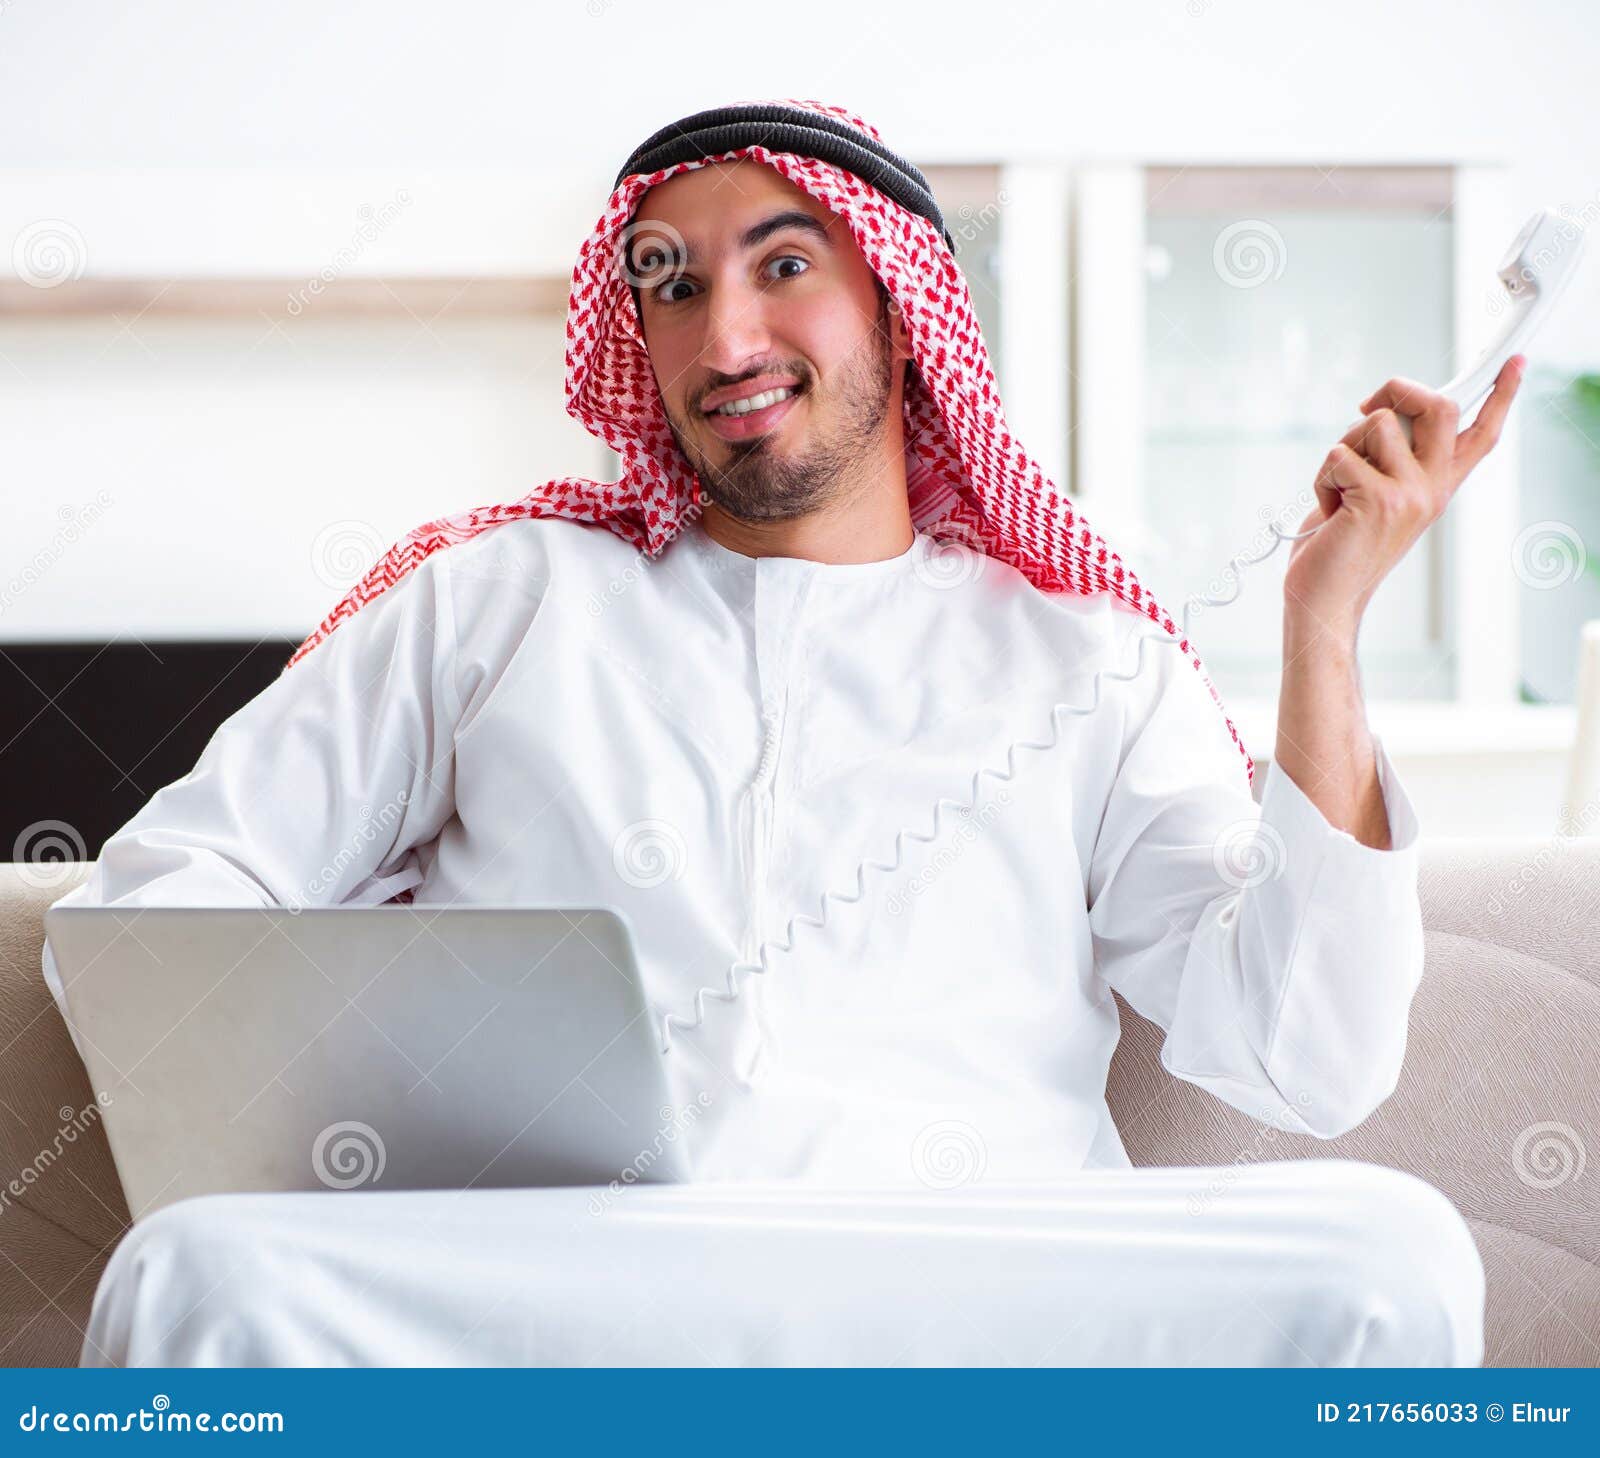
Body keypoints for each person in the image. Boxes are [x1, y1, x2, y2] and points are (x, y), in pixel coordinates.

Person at [45, 99, 1518, 1368]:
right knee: (193, 1285)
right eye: (670, 286)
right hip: (573, 1282)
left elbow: (1307, 1054)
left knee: (1389, 1255)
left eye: (785, 266)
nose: (723, 334)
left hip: (973, 1275)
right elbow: (161, 905)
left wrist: (1323, 628)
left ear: (896, 299)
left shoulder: (1088, 655)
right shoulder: (497, 603)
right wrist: (370, 1023)